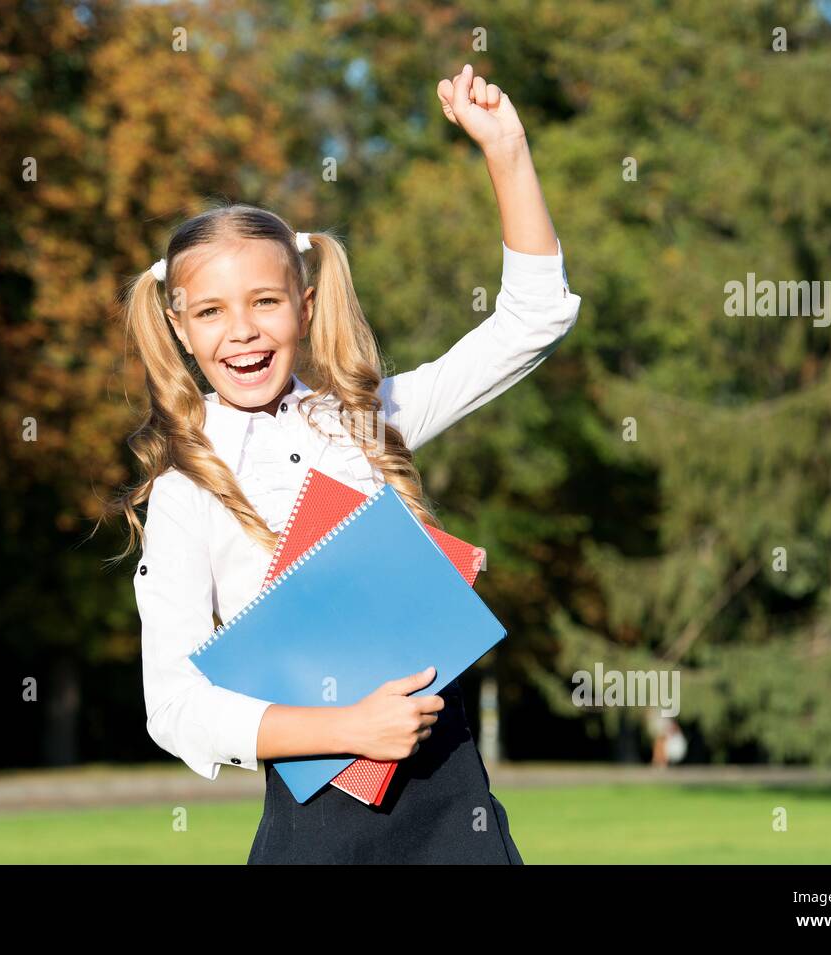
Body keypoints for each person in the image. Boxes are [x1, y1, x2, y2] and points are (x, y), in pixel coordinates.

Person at [113, 65, 581, 863]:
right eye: (214, 312)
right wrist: (349, 728)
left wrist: (506, 149)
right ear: (179, 325)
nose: (244, 333)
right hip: (322, 833)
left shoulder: (366, 420)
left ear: (302, 300)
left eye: (265, 301)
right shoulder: (186, 491)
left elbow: (531, 321)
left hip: (455, 811)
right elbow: (175, 706)